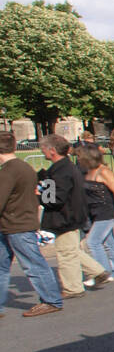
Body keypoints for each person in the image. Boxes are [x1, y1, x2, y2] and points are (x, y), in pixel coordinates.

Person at [35, 134, 107, 298]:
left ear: (52, 150)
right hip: (72, 215)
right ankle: (97, 271)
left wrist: (37, 196)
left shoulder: (60, 171)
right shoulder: (65, 167)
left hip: (64, 217)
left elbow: (54, 199)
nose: (43, 152)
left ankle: (73, 287)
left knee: (66, 253)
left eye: (44, 149)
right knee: (71, 249)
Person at [0, 132, 63, 316]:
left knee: (32, 265)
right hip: (17, 222)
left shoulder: (9, 171)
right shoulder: (23, 167)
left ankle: (51, 300)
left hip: (16, 224)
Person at [77, 145, 114, 282]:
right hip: (95, 212)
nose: (78, 159)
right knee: (109, 242)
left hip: (106, 211)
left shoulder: (103, 171)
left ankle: (101, 272)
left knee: (93, 242)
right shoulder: (88, 171)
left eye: (80, 156)